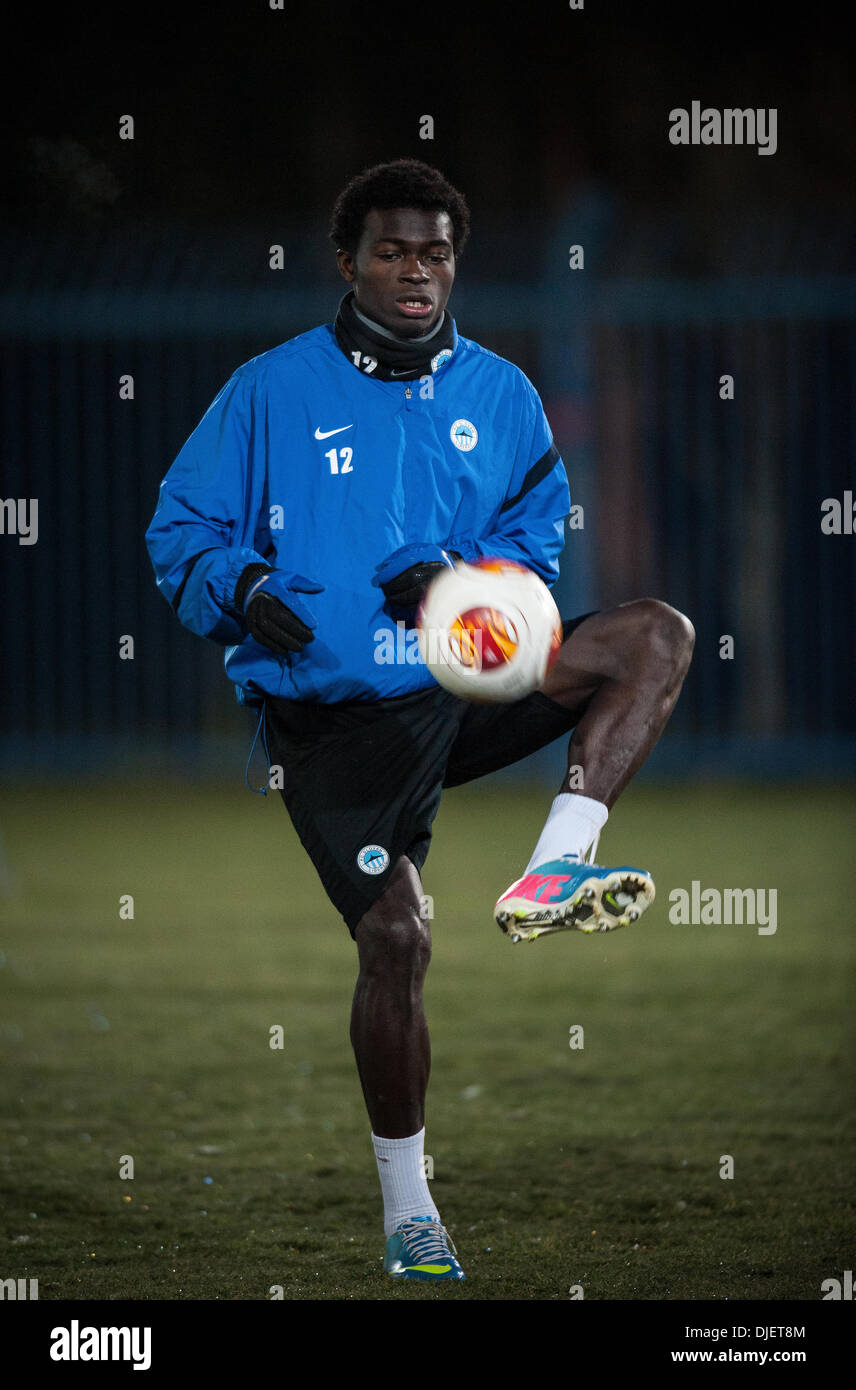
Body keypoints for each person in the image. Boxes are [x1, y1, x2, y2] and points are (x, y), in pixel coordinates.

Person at [145, 158, 694, 1284]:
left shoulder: (500, 394)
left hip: (463, 677)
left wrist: (463, 585)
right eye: (391, 250)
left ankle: (555, 871)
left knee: (655, 636)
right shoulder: (268, 390)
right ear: (346, 262)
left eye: (435, 252)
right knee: (396, 939)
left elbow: (535, 553)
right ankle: (408, 1209)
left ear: (457, 263)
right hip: (335, 719)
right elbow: (178, 527)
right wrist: (242, 591)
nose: (415, 271)